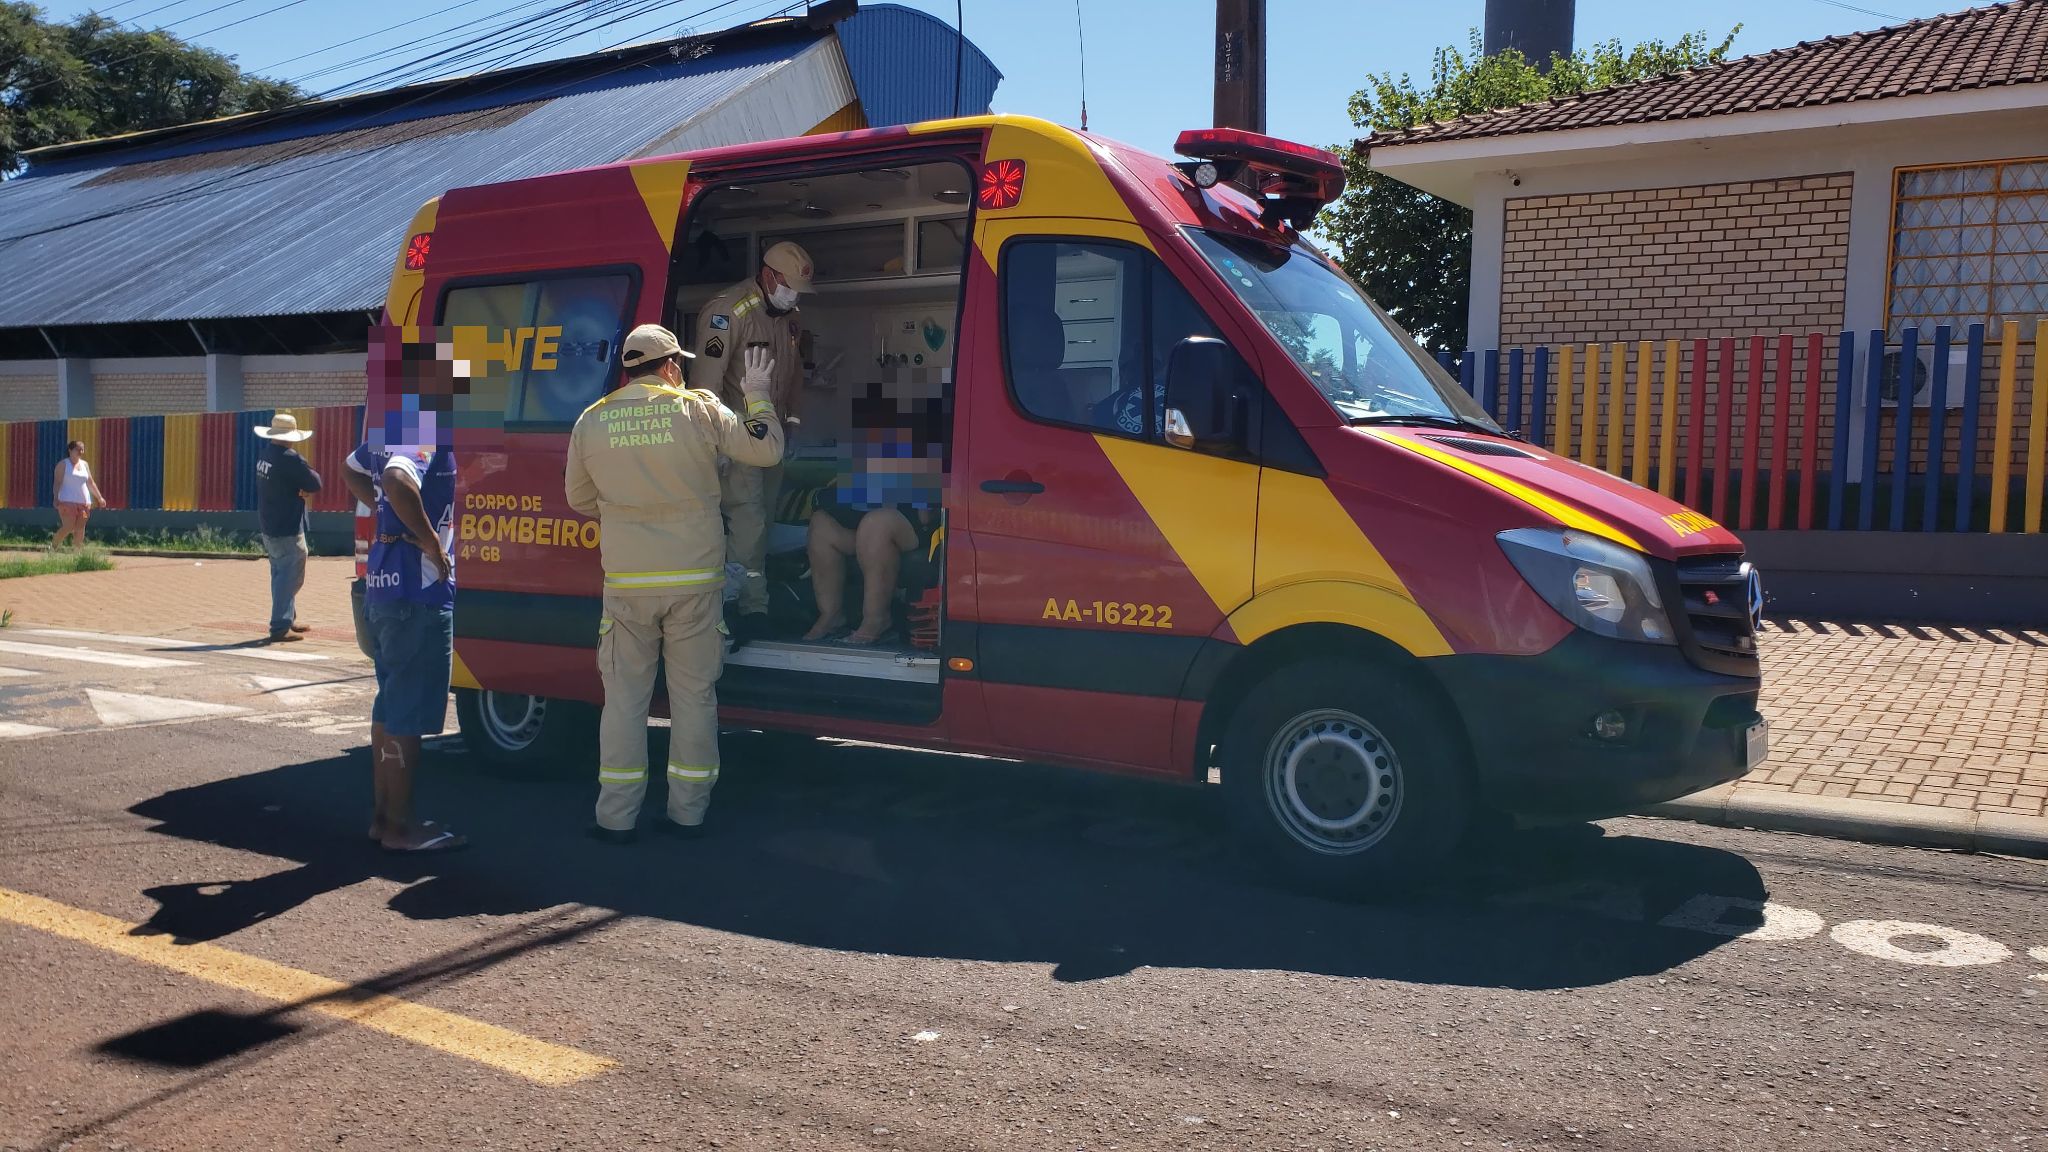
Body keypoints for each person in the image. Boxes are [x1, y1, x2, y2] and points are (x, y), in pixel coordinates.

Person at [565, 325, 784, 845]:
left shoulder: (591, 421)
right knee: (692, 697)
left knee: (623, 701)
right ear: (669, 367)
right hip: (694, 582)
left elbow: (578, 498)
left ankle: (615, 819)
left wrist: (628, 511)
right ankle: (688, 814)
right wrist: (757, 397)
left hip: (628, 585)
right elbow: (767, 451)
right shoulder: (700, 409)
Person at [342, 425, 462, 854]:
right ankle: (399, 826)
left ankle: (383, 819)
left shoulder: (392, 428)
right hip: (416, 591)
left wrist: (386, 513)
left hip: (386, 584)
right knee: (407, 710)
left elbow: (352, 469)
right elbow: (395, 478)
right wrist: (430, 541)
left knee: (391, 703)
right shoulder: (423, 428)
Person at [691, 240, 812, 644]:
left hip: (771, 437)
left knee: (764, 521)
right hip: (737, 437)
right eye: (788, 285)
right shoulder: (728, 312)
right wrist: (714, 445)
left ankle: (752, 601)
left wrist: (790, 423)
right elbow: (705, 385)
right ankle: (750, 609)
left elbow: (794, 375)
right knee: (749, 521)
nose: (792, 294)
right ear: (768, 275)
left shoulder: (790, 317)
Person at [253, 413, 322, 643]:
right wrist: (302, 488)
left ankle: (287, 617)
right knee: (289, 572)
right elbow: (315, 482)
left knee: (279, 572)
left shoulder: (266, 454)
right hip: (287, 526)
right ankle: (280, 625)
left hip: (270, 523)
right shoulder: (289, 458)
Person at [51, 440, 106, 549]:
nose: (81, 451)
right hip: (66, 501)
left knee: (80, 528)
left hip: (84, 503)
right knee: (68, 527)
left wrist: (99, 497)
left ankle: (77, 553)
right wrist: (56, 497)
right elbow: (57, 482)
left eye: (82, 449)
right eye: (78, 449)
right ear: (70, 450)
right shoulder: (63, 464)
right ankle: (53, 547)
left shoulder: (85, 464)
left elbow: (90, 482)